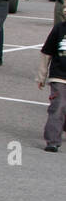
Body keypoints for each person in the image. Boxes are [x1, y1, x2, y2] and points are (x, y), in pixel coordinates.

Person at [36, 20, 66, 151]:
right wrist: (41, 76)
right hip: (59, 76)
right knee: (58, 106)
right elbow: (46, 52)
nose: (65, 10)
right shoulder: (60, 28)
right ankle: (52, 140)